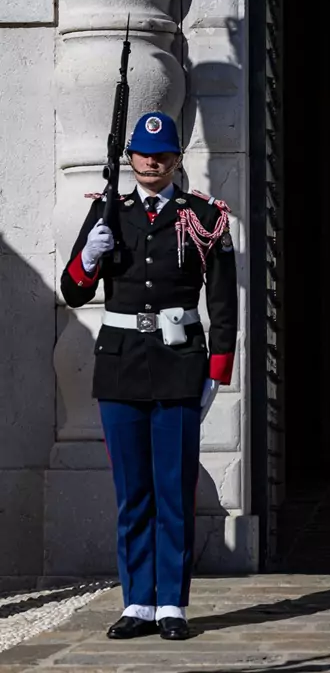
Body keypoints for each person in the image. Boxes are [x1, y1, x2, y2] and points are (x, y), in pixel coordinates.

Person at [60, 112, 238, 641]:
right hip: (120, 366)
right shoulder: (106, 212)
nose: (153, 161)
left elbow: (224, 302)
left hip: (180, 365)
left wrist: (217, 372)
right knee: (133, 490)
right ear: (130, 158)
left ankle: (171, 605)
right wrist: (89, 259)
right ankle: (137, 601)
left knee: (173, 490)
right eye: (143, 153)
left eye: (162, 155)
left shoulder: (203, 216)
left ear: (177, 159)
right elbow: (72, 292)